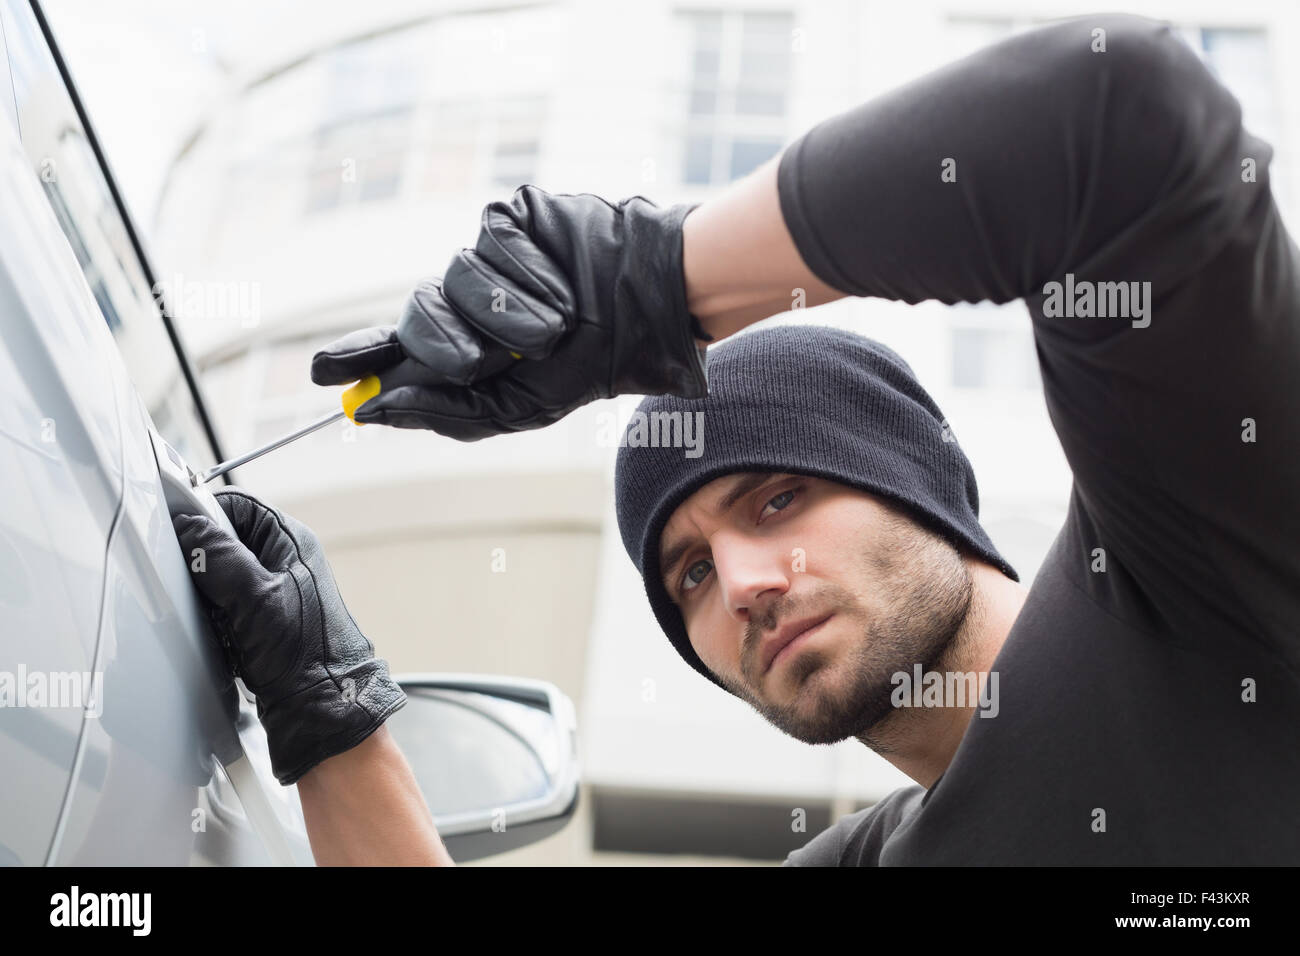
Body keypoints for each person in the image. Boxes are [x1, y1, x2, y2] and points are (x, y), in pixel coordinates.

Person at [175, 12, 1300, 865]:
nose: (748, 584)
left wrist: (650, 285)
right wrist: (332, 720)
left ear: (922, 486)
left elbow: (1119, 124)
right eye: (691, 571)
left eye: (774, 498)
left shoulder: (1180, 578)